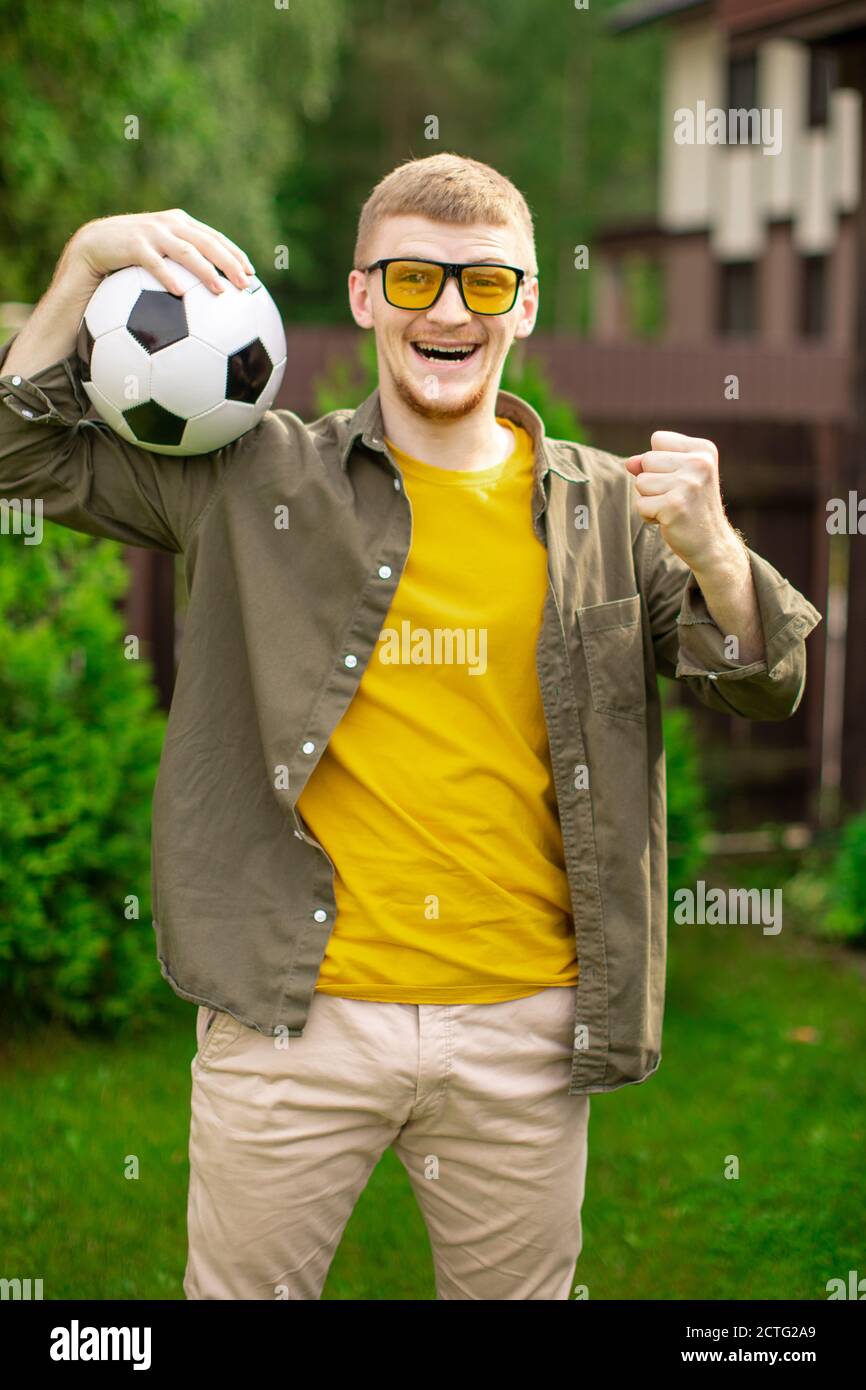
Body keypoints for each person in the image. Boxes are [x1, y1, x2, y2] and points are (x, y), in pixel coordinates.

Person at [0, 153, 821, 1301]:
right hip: (293, 1023)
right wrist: (87, 258)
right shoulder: (249, 476)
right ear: (361, 294)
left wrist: (717, 548)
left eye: (484, 285)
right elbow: (16, 454)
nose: (446, 310)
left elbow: (758, 677)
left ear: (525, 306)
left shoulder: (603, 511)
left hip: (525, 1033)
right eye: (414, 278)